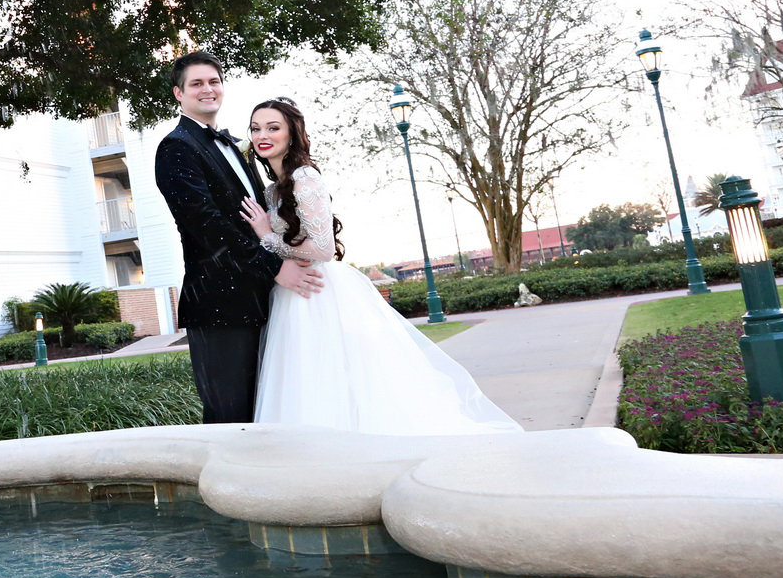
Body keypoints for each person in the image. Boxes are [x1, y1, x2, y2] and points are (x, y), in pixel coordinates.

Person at [239, 98, 522, 434]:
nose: (263, 135)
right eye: (256, 128)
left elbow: (324, 248)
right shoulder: (273, 189)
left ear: (292, 134)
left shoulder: (305, 178)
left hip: (319, 289)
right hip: (292, 293)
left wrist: (267, 236)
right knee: (308, 376)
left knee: (339, 374)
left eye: (273, 127)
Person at [154, 52, 323, 423]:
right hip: (220, 307)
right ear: (178, 94)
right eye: (196, 83)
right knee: (230, 419)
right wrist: (275, 267)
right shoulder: (176, 148)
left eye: (214, 81)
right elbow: (207, 226)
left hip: (263, 300)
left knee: (270, 412)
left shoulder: (234, 146)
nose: (207, 89)